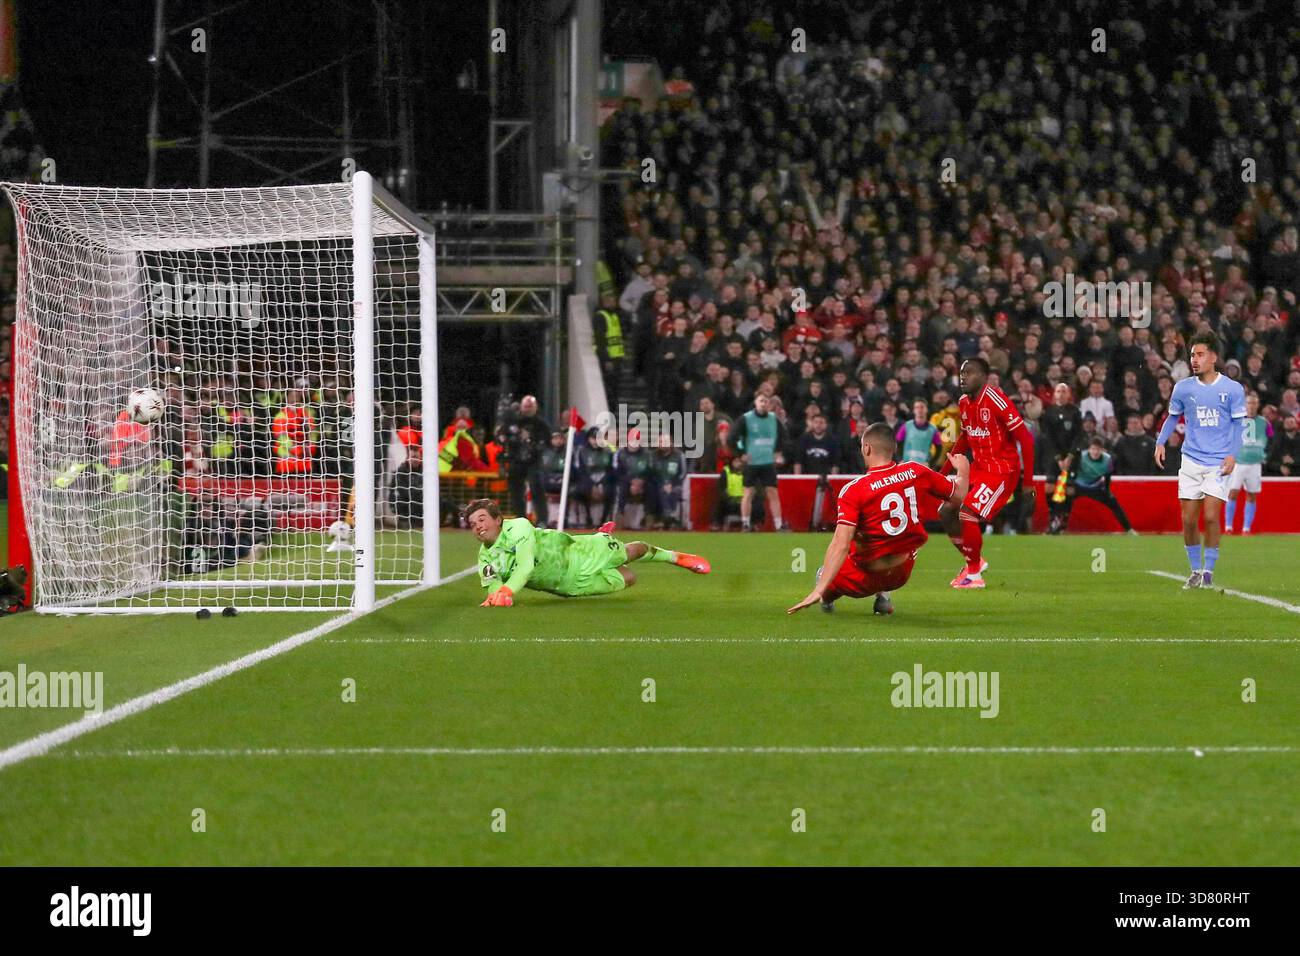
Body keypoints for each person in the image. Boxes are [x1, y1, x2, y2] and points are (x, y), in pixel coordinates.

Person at [787, 423, 970, 616]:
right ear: (894, 448)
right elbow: (959, 495)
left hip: (864, 580)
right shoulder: (915, 471)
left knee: (851, 541)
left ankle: (827, 597)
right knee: (903, 534)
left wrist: (819, 589)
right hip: (901, 573)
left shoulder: (854, 490)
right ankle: (884, 597)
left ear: (866, 448)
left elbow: (839, 544)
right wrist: (963, 470)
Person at [465, 497, 709, 606]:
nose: (478, 526)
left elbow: (525, 567)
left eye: (482, 519)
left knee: (630, 552)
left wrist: (507, 590)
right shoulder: (485, 558)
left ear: (498, 519)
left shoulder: (518, 526)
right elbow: (493, 586)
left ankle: (676, 557)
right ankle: (602, 533)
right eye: (473, 524)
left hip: (578, 552)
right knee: (629, 578)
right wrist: (496, 598)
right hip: (568, 586)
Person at [1155, 332, 1247, 589]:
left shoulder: (1232, 389)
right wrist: (1160, 442)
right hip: (1191, 460)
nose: (1194, 360)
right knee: (1187, 520)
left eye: (1200, 354)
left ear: (1214, 357)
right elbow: (1172, 417)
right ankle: (1195, 570)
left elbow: (1240, 425)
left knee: (1210, 516)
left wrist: (1232, 454)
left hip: (1218, 462)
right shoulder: (1183, 388)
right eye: (1193, 355)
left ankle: (1209, 569)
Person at [938, 358, 1036, 589]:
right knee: (945, 511)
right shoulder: (963, 402)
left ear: (983, 376)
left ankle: (974, 575)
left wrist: (1028, 482)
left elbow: (1026, 439)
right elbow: (965, 437)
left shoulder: (995, 399)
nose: (963, 377)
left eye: (969, 373)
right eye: (961, 373)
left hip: (1003, 471)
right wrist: (942, 472)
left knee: (967, 513)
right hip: (979, 470)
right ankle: (974, 560)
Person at [1047, 437, 1136, 534]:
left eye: (1098, 449)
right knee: (1062, 502)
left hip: (1096, 486)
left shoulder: (1108, 460)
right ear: (1089, 449)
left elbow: (1107, 476)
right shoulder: (1080, 456)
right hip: (1078, 485)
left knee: (1114, 504)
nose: (1095, 452)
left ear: (1102, 450)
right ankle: (1055, 527)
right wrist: (1070, 484)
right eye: (1093, 449)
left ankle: (1129, 529)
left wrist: (1106, 489)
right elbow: (1072, 471)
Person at [731, 392, 788, 531]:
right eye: (761, 401)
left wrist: (778, 452)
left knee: (772, 493)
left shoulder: (774, 419)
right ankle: (745, 523)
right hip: (752, 462)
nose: (763, 404)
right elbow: (732, 437)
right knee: (749, 492)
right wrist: (741, 454)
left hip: (768, 462)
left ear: (769, 404)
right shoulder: (746, 418)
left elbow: (783, 436)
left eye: (765, 401)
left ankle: (779, 525)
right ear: (756, 403)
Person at [496, 395, 551, 524]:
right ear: (521, 406)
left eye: (530, 406)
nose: (528, 409)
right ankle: (521, 519)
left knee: (537, 488)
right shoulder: (512, 421)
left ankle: (542, 521)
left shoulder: (541, 424)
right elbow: (501, 437)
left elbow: (545, 444)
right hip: (516, 460)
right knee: (515, 491)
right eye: (526, 406)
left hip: (534, 461)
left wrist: (530, 440)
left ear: (536, 408)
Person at [1225, 392, 1270, 534]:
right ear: (1244, 404)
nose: (1251, 406)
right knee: (1232, 493)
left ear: (1258, 405)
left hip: (1255, 464)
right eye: (1249, 403)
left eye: (1254, 403)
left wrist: (1266, 455)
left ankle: (1246, 528)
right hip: (1238, 462)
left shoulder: (1264, 422)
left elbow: (1273, 439)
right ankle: (1228, 527)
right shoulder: (1236, 420)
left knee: (1251, 495)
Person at [897, 398, 943, 466]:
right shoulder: (906, 426)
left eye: (922, 407)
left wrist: (930, 463)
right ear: (914, 410)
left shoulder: (933, 429)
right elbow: (897, 443)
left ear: (926, 409)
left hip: (923, 466)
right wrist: (900, 459)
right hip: (907, 465)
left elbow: (939, 448)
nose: (919, 410)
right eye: (917, 407)